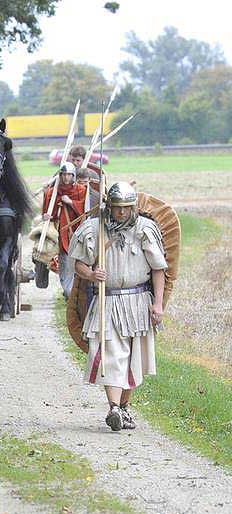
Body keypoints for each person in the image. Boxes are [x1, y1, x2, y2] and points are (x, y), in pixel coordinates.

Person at [69, 181, 167, 431]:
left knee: (134, 358)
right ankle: (113, 407)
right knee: (111, 356)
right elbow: (78, 264)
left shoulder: (145, 229)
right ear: (109, 206)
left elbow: (158, 269)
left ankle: (123, 407)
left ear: (134, 207)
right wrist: (91, 274)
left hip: (138, 302)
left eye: (126, 207)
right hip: (107, 300)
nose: (122, 212)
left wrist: (158, 304)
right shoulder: (94, 228)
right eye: (117, 207)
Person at [41, 162, 86, 299]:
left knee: (81, 269)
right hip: (63, 236)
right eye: (64, 174)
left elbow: (86, 212)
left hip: (79, 234)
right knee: (65, 270)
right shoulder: (53, 193)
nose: (66, 177)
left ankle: (77, 297)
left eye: (69, 175)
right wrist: (47, 216)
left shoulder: (81, 190)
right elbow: (49, 213)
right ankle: (69, 296)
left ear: (73, 176)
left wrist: (71, 202)